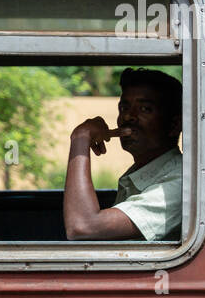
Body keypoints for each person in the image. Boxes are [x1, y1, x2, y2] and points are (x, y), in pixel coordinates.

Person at [63, 67, 183, 241]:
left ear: (174, 125)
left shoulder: (177, 183)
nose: (128, 117)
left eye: (144, 109)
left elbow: (82, 226)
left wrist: (80, 137)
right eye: (124, 107)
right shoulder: (139, 174)